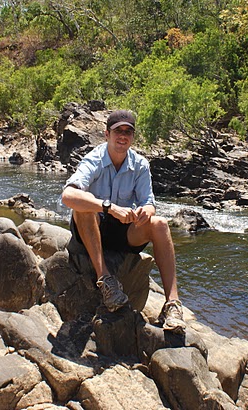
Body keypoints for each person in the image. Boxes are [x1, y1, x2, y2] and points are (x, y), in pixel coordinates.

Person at [61, 109, 186, 334]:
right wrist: (108, 207)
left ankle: (172, 304)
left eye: (128, 131)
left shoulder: (140, 165)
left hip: (122, 232)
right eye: (118, 130)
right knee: (84, 206)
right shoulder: (94, 159)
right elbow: (68, 195)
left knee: (160, 224)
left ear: (133, 137)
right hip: (91, 228)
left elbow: (149, 203)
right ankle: (106, 280)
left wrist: (145, 212)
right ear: (107, 134)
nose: (123, 136)